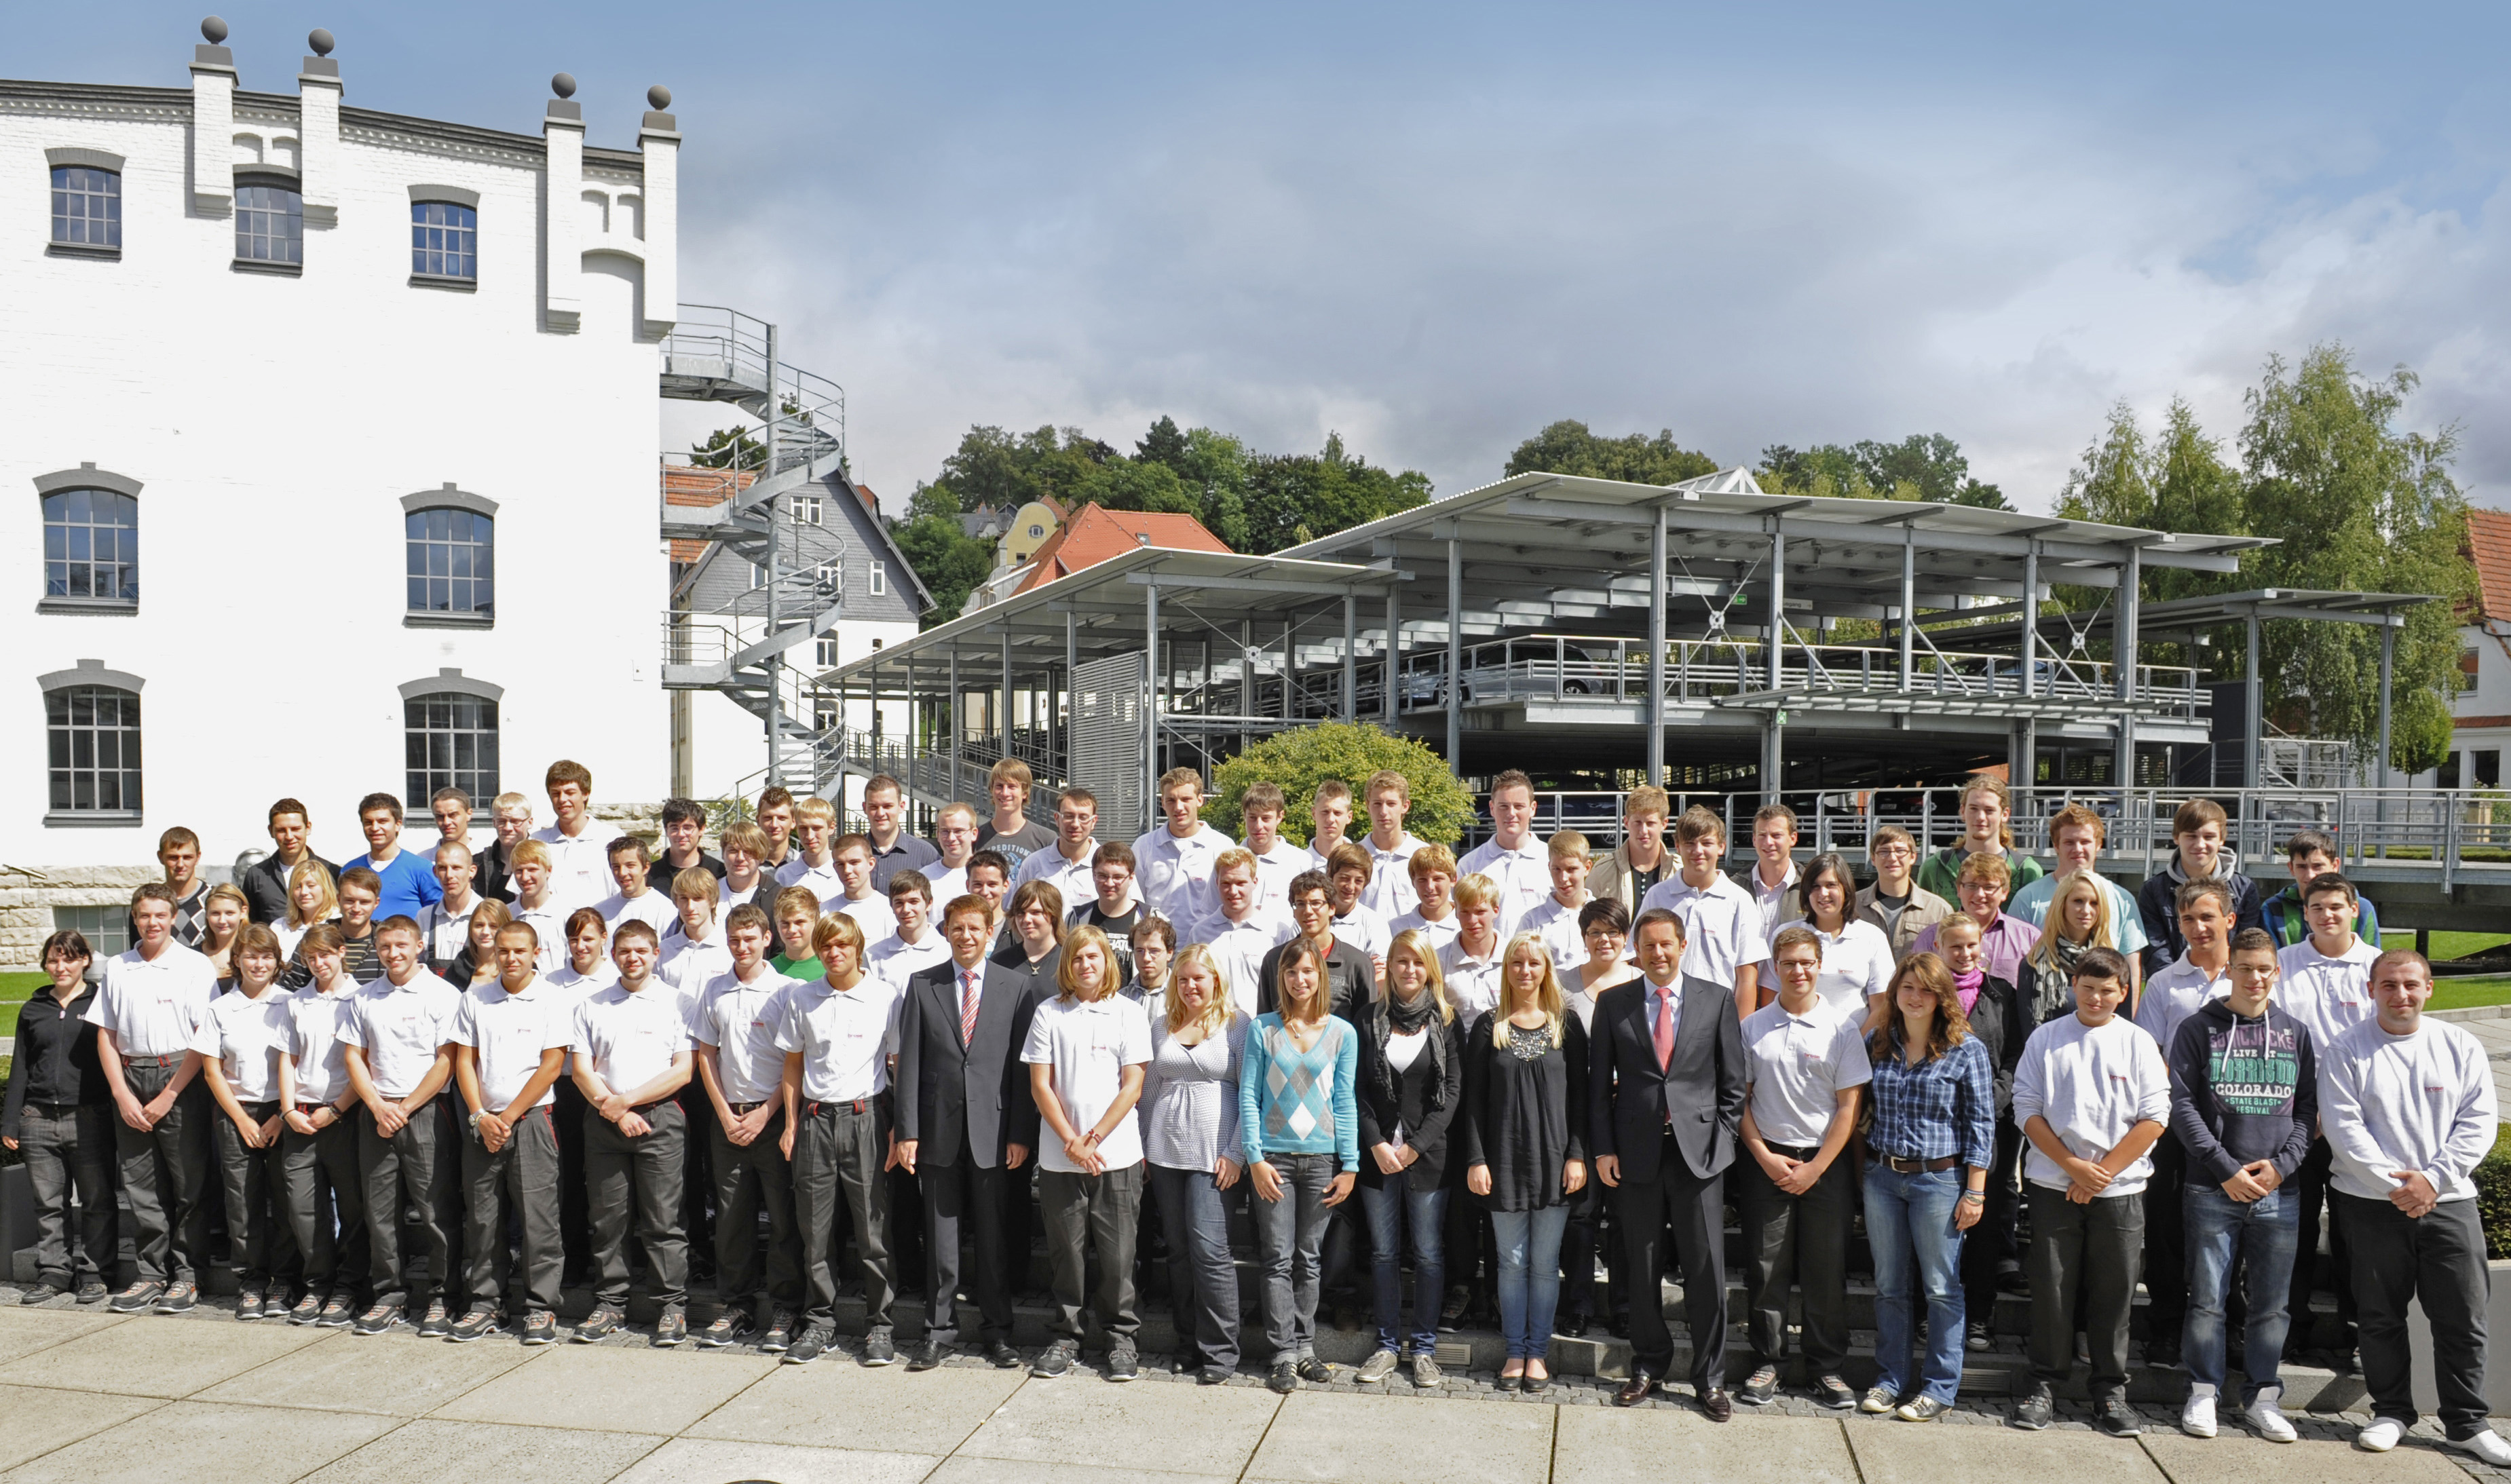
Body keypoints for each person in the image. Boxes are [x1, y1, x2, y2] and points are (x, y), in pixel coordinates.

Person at [2319, 950, 2511, 1463]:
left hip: (2449, 1203)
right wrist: (2397, 1186)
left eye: (2410, 984)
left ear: (2430, 988)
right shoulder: (2346, 1049)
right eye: (2388, 985)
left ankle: (2467, 1422)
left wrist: (2432, 1180)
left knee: (2463, 1315)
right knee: (2380, 1314)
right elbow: (2344, 1128)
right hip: (2369, 1203)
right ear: (2371, 990)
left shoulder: (2460, 1045)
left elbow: (2479, 1121)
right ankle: (2391, 1411)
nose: (2399, 994)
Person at [2008, 945, 2170, 1438]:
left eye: (2107, 989)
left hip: (2120, 1189)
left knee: (2114, 1289)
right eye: (2087, 986)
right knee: (2053, 1288)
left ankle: (2109, 1390)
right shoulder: (2047, 1038)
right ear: (2073, 985)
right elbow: (2027, 1109)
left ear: (2124, 992)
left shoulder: (2138, 1042)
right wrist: (2074, 1167)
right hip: (2054, 1183)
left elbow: (2155, 1116)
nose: (2096, 997)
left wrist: (2102, 1173)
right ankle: (2044, 1384)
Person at [1589, 908, 1745, 1419]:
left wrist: (1722, 1144)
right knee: (1641, 1267)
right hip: (1635, 1155)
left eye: (1666, 944)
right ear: (1637, 949)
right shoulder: (1613, 1003)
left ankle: (1710, 1378)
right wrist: (1604, 1148)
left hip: (1699, 1157)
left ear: (1683, 945)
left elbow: (1733, 1083)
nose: (1658, 954)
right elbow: (1597, 1088)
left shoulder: (1716, 999)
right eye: (1649, 945)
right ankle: (1648, 1365)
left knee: (1705, 1270)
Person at [2168, 928, 2315, 1443]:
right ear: (2229, 968)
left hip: (2279, 1189)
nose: (2255, 977)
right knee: (2207, 1297)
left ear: (2277, 973)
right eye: (2245, 967)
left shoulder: (2296, 1032)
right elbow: (2182, 1107)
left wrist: (2282, 1166)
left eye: (2264, 969)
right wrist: (2225, 1168)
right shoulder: (2196, 1028)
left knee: (2271, 1303)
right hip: (2213, 1187)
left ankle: (2263, 1396)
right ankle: (2203, 1390)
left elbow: (2306, 1111)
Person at [896, 894, 1042, 1371]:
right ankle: (938, 1331)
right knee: (941, 1239)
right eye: (957, 928)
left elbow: (1024, 1070)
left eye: (974, 928)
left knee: (994, 1239)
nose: (965, 936)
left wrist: (1021, 1132)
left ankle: (998, 1330)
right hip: (937, 1131)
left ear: (989, 931)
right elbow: (911, 1065)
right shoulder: (923, 985)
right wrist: (907, 1132)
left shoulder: (1016, 987)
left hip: (995, 1131)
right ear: (946, 931)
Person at [1733, 926, 1869, 1410]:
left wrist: (1815, 1169)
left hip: (1824, 1162)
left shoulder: (1842, 1029)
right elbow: (1739, 1103)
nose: (1798, 971)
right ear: (1774, 965)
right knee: (1766, 1268)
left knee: (1825, 1269)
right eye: (1788, 962)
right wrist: (1765, 1156)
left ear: (1820, 965)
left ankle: (1827, 1367)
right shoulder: (1752, 1028)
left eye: (1807, 962)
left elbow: (1848, 1110)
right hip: (1765, 1157)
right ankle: (1768, 1360)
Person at [1857, 951, 1993, 1423]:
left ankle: (1939, 1386)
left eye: (1926, 989)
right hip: (1882, 1177)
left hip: (1939, 1180)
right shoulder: (1880, 1041)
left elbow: (1982, 1123)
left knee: (1940, 1287)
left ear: (1942, 997)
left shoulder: (1965, 1048)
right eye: (1908, 987)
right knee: (1890, 1286)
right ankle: (1889, 1379)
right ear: (1896, 991)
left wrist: (1975, 1189)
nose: (1916, 996)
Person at [1023, 924, 1154, 1380]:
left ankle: (1121, 1337)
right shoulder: (1049, 1013)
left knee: (1119, 1254)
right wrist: (1071, 1141)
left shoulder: (1128, 1013)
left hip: (1116, 1155)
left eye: (1094, 957)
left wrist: (1093, 1138)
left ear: (1108, 963)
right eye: (1077, 958)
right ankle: (1066, 1334)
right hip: (1061, 1157)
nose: (1085, 965)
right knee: (1066, 1252)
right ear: (1067, 964)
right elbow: (1041, 1084)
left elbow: (1133, 1084)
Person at [1460, 932, 1589, 1392]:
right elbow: (1473, 1101)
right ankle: (1515, 1349)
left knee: (1543, 1260)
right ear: (1507, 969)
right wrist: (1476, 1158)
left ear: (1546, 969)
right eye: (1517, 962)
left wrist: (1578, 1154)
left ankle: (1538, 1352)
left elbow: (1582, 1099)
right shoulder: (1487, 1026)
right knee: (1511, 1262)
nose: (1525, 971)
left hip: (1555, 1161)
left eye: (1534, 963)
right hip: (1503, 1163)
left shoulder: (1566, 1025)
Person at [776, 909, 903, 1367]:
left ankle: (880, 1327)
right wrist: (791, 1125)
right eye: (826, 945)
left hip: (865, 1117)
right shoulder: (802, 997)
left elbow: (899, 1063)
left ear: (857, 947)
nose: (833, 953)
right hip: (814, 1121)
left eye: (841, 945)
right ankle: (819, 1323)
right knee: (815, 1230)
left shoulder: (884, 996)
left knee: (872, 1230)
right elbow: (792, 1063)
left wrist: (898, 1129)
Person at [88, 882, 217, 1314]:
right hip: (131, 1076)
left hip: (180, 1075)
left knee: (188, 1185)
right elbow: (105, 1035)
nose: (152, 923)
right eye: (144, 915)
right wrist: (121, 1093)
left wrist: (170, 1094)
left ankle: (187, 1275)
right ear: (134, 917)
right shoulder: (119, 968)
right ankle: (149, 1274)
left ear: (174, 917)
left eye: (161, 915)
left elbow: (205, 1039)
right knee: (142, 1185)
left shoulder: (194, 966)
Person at [1240, 936, 1361, 1394]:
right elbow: (1249, 1097)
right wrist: (1254, 1157)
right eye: (1292, 972)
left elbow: (1345, 1100)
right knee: (1276, 1258)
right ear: (1282, 978)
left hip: (1321, 1160)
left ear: (1320, 976)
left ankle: (1306, 1347)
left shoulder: (1342, 1033)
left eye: (1308, 971)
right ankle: (1283, 1353)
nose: (1300, 979)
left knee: (1308, 1258)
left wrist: (1349, 1164)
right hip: (1274, 1161)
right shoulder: (1263, 1029)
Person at [447, 919, 571, 1344]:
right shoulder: (476, 998)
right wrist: (481, 1116)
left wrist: (510, 1116)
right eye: (503, 951)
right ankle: (485, 1303)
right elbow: (465, 1061)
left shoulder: (552, 999)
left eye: (520, 951)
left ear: (536, 953)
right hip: (483, 1123)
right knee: (484, 1218)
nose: (511, 958)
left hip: (533, 1120)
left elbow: (552, 1064)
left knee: (539, 1219)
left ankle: (541, 1308)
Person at [571, 917, 694, 1346]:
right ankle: (610, 1304)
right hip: (606, 1124)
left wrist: (629, 1102)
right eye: (625, 951)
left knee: (664, 1220)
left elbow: (683, 1071)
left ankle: (671, 1308)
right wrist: (617, 1110)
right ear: (613, 954)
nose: (633, 958)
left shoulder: (679, 1003)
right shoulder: (592, 1004)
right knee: (609, 1219)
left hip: (660, 1120)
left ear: (656, 953)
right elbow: (581, 1071)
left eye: (641, 950)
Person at [2134, 875, 2239, 1369]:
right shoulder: (2164, 982)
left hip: (2239, 1122)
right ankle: (2167, 1323)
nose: (2198, 927)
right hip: (2177, 1122)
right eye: (2188, 919)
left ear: (2229, 920)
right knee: (2167, 1226)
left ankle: (2230, 1325)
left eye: (2207, 917)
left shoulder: (2248, 978)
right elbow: (2151, 1052)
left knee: (2231, 1226)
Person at [1351, 928, 1462, 1390]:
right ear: (1390, 967)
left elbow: (1453, 1092)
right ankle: (1386, 1344)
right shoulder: (1366, 1019)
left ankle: (1424, 1348)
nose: (1410, 970)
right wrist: (1377, 1142)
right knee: (1382, 1251)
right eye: (1401, 961)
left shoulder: (1447, 1019)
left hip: (1429, 1157)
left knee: (1429, 1254)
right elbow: (1353, 1088)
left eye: (1418, 962)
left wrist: (1415, 1145)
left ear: (1429, 968)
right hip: (1377, 1156)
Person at [339, 915, 461, 1337]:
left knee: (434, 1211)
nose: (393, 954)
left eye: (401, 945)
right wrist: (376, 1104)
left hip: (425, 1112)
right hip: (377, 1113)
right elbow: (354, 1056)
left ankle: (443, 1298)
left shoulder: (443, 995)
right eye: (385, 946)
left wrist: (405, 1107)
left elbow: (446, 1060)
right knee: (380, 1211)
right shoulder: (364, 997)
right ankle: (389, 1295)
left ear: (419, 945)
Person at [2278, 871, 2380, 1371]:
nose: (2327, 915)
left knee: (2353, 1230)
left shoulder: (2376, 967)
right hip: (2297, 1121)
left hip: (2361, 1121)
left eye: (2336, 906)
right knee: (2291, 1228)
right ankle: (2288, 1326)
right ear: (2307, 912)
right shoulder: (2284, 963)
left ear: (2354, 910)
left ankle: (2356, 1330)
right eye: (2317, 907)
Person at [692, 905, 806, 1352]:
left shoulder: (786, 990)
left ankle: (785, 1306)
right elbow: (705, 1053)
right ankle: (735, 1303)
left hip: (772, 1116)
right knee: (732, 1216)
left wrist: (765, 1112)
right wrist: (723, 1112)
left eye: (750, 938)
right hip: (728, 1117)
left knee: (782, 1216)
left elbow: (794, 1061)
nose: (742, 947)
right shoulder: (715, 989)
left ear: (766, 939)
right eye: (735, 940)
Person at [1141, 944, 1248, 1385]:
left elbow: (1250, 1093)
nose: (1189, 986)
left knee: (1210, 1249)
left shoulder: (1238, 1024)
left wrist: (1238, 1151)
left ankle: (1221, 1351)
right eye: (1182, 979)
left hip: (1216, 1153)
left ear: (1216, 980)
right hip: (1165, 1150)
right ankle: (1188, 1343)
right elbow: (1149, 1088)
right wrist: (1143, 1147)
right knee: (1180, 1250)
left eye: (1197, 978)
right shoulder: (1160, 1023)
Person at [3, 930, 115, 1306]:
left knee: (97, 1199)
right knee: (49, 1202)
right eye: (53, 960)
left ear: (85, 959)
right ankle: (54, 1271)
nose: (60, 966)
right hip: (37, 1118)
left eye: (69, 958)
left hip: (90, 1116)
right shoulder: (34, 1009)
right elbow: (21, 1065)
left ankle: (97, 1272)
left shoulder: (101, 1003)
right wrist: (10, 1121)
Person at [1933, 911, 2025, 1355]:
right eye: (1955, 946)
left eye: (1971, 946)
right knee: (1937, 1222)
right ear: (1939, 948)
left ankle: (1980, 1319)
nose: (1965, 953)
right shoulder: (1928, 992)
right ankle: (1930, 1313)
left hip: (1993, 1124)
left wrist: (1991, 1100)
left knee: (1985, 1225)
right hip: (1938, 1125)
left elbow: (2014, 1054)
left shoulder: (2002, 994)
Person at [276, 925, 371, 1327]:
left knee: (352, 1208)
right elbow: (286, 1059)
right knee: (304, 1209)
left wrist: (336, 1109)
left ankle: (349, 1288)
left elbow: (363, 1064)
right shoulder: (297, 1001)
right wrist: (287, 1111)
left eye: (326, 955)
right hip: (301, 1117)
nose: (319, 964)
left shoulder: (360, 998)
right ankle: (318, 1284)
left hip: (345, 1115)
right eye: (312, 957)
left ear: (341, 953)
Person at [201, 924, 297, 1320]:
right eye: (251, 956)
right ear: (237, 960)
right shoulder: (220, 1008)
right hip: (236, 1112)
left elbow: (300, 1065)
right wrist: (240, 1119)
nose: (259, 963)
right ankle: (252, 1281)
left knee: (290, 1200)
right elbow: (212, 1071)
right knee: (242, 1202)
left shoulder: (291, 1003)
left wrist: (279, 1117)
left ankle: (287, 1280)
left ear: (278, 962)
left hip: (285, 1111)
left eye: (267, 956)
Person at [1560, 899, 1634, 1338]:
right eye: (1595, 931)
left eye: (1612, 931)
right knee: (1581, 1214)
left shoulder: (1640, 982)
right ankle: (1579, 1303)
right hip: (1579, 1110)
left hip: (1627, 1112)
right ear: (1583, 935)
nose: (1603, 939)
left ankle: (1624, 1304)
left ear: (1625, 936)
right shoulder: (1565, 983)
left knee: (1625, 1214)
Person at [1638, 805, 1769, 1016]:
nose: (1698, 851)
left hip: (1717, 1017)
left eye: (1707, 843)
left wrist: (1737, 1034)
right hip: (1663, 1015)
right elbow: (1639, 961)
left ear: (1722, 847)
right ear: (1677, 846)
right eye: (1690, 843)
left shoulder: (1739, 901)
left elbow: (1747, 978)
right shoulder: (1657, 896)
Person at [2005, 803, 2151, 981]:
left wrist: (2129, 1010)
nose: (2078, 849)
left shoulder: (2123, 900)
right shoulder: (2028, 898)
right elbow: (2012, 965)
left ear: (2098, 845)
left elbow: (2131, 968)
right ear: (2056, 845)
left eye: (2085, 842)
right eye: (2069, 842)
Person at [2136, 797, 2265, 978]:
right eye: (2191, 836)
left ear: (2222, 839)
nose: (2200, 845)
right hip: (2173, 987)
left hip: (2228, 986)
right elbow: (2157, 949)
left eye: (2209, 837)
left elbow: (2245, 946)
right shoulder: (2153, 890)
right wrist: (2173, 988)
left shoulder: (2244, 890)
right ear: (2176, 837)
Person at [1775, 852, 1893, 1023]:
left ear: (1845, 889)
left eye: (1831, 885)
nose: (1823, 893)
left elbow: (1881, 1007)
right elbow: (1770, 996)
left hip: (1856, 1044)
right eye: (1815, 886)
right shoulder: (1784, 935)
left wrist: (1854, 1045)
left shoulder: (1872, 937)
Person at [2014, 868, 2122, 1031]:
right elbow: (2029, 1032)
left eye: (2094, 903)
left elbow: (2124, 1026)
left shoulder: (2115, 965)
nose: (2086, 910)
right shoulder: (2034, 964)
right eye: (2078, 901)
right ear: (2062, 904)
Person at [1912, 852, 2039, 988]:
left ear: (2005, 892)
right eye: (1972, 886)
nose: (1980, 895)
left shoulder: (2029, 939)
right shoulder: (1931, 938)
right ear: (1959, 889)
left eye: (1989, 887)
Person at [1258, 871, 1372, 1020]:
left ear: (1332, 908)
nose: (1308, 911)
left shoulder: (1357, 963)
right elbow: (1264, 1022)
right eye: (1300, 904)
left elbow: (1367, 1026)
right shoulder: (1275, 960)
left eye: (1316, 903)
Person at [1914, 774, 2045, 902]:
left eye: (1989, 810)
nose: (1981, 817)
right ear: (1962, 811)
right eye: (1974, 808)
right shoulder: (1935, 867)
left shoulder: (2027, 871)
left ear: (2005, 814)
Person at [1196, 852, 1296, 1014]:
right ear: (1217, 883)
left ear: (1255, 882)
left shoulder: (1277, 932)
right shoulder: (1200, 934)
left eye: (1240, 883)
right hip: (1211, 1029)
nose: (1233, 891)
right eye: (1226, 883)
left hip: (1262, 1029)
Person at [1458, 769, 1551, 934]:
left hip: (1538, 959)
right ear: (1492, 808)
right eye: (1504, 807)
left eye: (1519, 806)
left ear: (1533, 808)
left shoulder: (1551, 861)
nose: (1511, 814)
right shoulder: (1470, 865)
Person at [1135, 766, 1230, 925]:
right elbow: (1135, 902)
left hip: (1205, 946)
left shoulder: (1222, 846)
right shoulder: (1144, 846)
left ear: (1200, 800)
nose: (1178, 808)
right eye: (1171, 800)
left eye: (1186, 799)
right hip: (1156, 946)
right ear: (1163, 803)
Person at [2261, 827, 2382, 950]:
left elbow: (2372, 961)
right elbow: (2269, 961)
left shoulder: (2363, 908)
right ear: (2291, 868)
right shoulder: (2273, 909)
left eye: (2317, 866)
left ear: (2335, 865)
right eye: (2302, 867)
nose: (2310, 875)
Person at [341, 793, 445, 922]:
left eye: (382, 821)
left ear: (398, 824)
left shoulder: (421, 868)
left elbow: (438, 914)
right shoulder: (350, 870)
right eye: (368, 822)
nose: (375, 828)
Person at [1857, 824, 1954, 960]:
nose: (1892, 858)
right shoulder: (1853, 906)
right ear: (1873, 859)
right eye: (1884, 851)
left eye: (1900, 851)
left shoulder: (1938, 910)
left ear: (1913, 857)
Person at [285, 867, 382, 989]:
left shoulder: (387, 940)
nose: (356, 909)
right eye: (350, 901)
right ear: (339, 899)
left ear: (376, 903)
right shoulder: (316, 938)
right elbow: (289, 987)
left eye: (364, 902)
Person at [244, 798, 336, 925]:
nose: (289, 837)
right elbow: (250, 924)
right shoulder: (257, 875)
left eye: (295, 829)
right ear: (271, 831)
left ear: (308, 828)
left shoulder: (331, 872)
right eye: (282, 830)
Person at [1015, 786, 1107, 910]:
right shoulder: (1034, 864)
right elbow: (1016, 911)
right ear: (1057, 819)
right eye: (1068, 816)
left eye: (1083, 818)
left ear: (1094, 821)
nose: (1075, 824)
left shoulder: (1108, 864)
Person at [1517, 831, 1595, 974]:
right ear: (1549, 867)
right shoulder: (1533, 920)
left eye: (1571, 869)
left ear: (1587, 868)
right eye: (1557, 869)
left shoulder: (1603, 914)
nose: (1563, 878)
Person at [1589, 784, 1673, 913]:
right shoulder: (1602, 871)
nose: (1643, 831)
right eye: (1637, 822)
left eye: (1650, 823)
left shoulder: (1679, 871)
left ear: (1664, 824)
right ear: (1626, 822)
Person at [1437, 874, 1509, 1026]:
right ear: (1456, 912)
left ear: (1496, 911)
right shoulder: (1439, 960)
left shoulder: (1514, 957)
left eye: (1480, 912)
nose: (1472, 921)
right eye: (1465, 912)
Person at [1359, 769, 1429, 917]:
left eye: (1391, 804)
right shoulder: (1353, 857)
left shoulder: (1425, 856)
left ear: (1405, 806)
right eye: (1377, 804)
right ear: (1367, 806)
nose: (1384, 811)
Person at [659, 865, 734, 995]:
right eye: (684, 899)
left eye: (698, 898)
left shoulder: (730, 948)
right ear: (676, 902)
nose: (690, 907)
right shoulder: (663, 951)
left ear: (713, 901)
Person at [1239, 782, 1310, 919]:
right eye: (1252, 818)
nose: (1258, 826)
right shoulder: (1229, 861)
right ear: (1244, 816)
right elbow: (1213, 910)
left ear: (1280, 817)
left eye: (1266, 818)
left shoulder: (1301, 862)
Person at [872, 871, 951, 990]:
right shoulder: (874, 955)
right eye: (899, 903)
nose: (906, 909)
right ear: (891, 906)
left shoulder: (947, 952)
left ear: (929, 903)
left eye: (914, 902)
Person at [975, 758, 1056, 873]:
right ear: (991, 790)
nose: (1005, 793)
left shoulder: (1046, 839)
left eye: (1012, 786)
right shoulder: (975, 838)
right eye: (999, 786)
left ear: (1025, 793)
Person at [861, 774, 941, 891]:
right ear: (865, 808)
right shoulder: (852, 852)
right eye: (874, 807)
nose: (880, 813)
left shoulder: (926, 854)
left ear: (901, 806)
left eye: (888, 806)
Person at [417, 842, 487, 974]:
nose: (449, 875)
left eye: (456, 868)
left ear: (472, 871)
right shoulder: (424, 916)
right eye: (443, 868)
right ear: (435, 872)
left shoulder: (488, 915)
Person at [1733, 803, 1800, 937]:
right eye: (1762, 835)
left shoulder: (1809, 887)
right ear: (1754, 839)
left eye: (1776, 836)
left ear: (1793, 839)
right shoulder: (1735, 887)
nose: (1768, 842)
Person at [1325, 842, 1393, 968]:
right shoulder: (1311, 916)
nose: (1350, 887)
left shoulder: (1376, 924)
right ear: (1330, 875)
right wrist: (1363, 968)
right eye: (1344, 878)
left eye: (1358, 881)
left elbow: (1380, 974)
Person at [597, 837, 679, 939]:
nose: (622, 873)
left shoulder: (666, 910)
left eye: (630, 866)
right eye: (616, 867)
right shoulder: (599, 912)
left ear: (646, 868)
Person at [1386, 843, 1460, 953]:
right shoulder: (1395, 928)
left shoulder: (1466, 925)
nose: (1430, 887)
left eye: (1437, 879)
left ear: (1453, 880)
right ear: (1413, 882)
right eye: (1422, 880)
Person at [506, 841, 567, 975]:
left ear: (548, 871)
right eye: (519, 871)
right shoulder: (506, 915)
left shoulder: (567, 915)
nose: (525, 877)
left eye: (532, 869)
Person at [146, 826, 212, 949]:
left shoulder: (214, 899)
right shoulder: (149, 903)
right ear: (161, 857)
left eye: (187, 857)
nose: (180, 864)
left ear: (198, 857)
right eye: (173, 857)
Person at [647, 797, 725, 896]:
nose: (681, 834)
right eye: (674, 828)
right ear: (667, 830)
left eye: (688, 828)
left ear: (701, 829)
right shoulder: (650, 875)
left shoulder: (719, 873)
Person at [830, 834, 901, 941]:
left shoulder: (889, 911)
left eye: (854, 863)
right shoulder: (825, 912)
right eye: (840, 864)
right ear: (835, 867)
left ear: (871, 864)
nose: (847, 870)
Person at [777, 797, 843, 905]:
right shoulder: (784, 875)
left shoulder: (845, 873)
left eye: (817, 828)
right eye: (803, 828)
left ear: (831, 828)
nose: (810, 836)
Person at [444, 900, 514, 993]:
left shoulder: (518, 964)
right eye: (479, 925)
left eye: (494, 926)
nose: (485, 932)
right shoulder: (460, 965)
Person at [476, 792, 534, 904]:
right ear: (494, 822)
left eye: (515, 821)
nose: (508, 828)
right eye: (502, 822)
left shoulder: (542, 861)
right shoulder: (479, 863)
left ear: (530, 822)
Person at [277, 859, 337, 965]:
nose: (304, 892)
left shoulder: (338, 924)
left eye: (311, 885)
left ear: (325, 888)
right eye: (298, 886)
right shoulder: (279, 927)